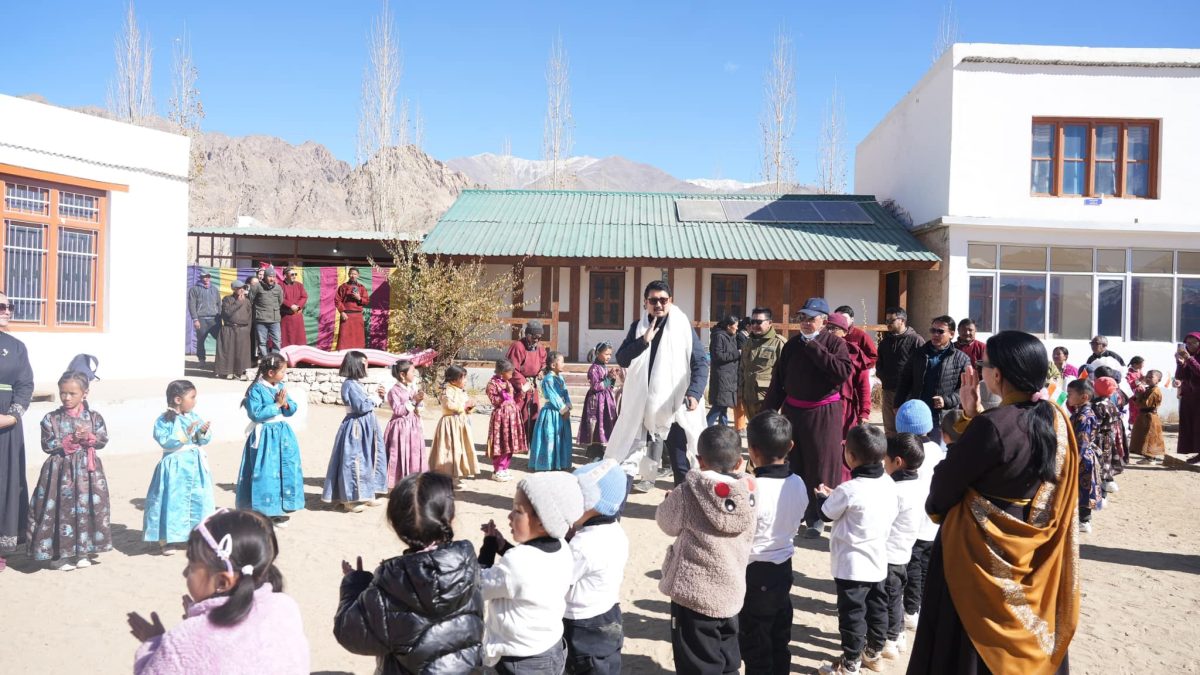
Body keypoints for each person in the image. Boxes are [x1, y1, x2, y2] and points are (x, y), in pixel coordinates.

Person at [907, 330, 1079, 675]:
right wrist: (975, 414)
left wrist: (972, 425)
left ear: (997, 375)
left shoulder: (993, 426)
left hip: (979, 554)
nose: (980, 370)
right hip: (1032, 548)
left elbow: (944, 488)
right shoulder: (1056, 419)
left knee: (970, 639)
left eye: (983, 364)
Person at [334, 472, 484, 673]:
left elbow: (349, 633)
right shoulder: (468, 566)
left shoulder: (391, 586)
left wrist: (355, 585)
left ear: (395, 523)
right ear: (450, 517)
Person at [128, 509, 310, 674]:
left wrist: (154, 644)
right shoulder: (285, 607)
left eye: (191, 566)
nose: (185, 573)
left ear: (223, 582)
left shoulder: (182, 642)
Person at [656, 425, 756, 674]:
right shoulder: (749, 494)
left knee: (695, 661)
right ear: (739, 462)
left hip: (693, 595)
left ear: (699, 460)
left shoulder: (687, 492)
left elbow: (666, 523)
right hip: (731, 591)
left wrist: (669, 500)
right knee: (728, 657)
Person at [763, 297, 855, 536]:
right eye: (802, 317)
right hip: (794, 411)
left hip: (823, 413)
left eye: (810, 318)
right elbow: (778, 382)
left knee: (820, 463)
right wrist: (766, 413)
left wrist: (814, 347)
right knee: (794, 462)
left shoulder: (835, 344)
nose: (805, 322)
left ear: (823, 321)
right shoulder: (792, 345)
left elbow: (841, 373)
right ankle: (796, 512)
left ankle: (817, 515)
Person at [606, 280, 707, 493]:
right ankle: (615, 506)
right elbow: (622, 358)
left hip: (674, 404)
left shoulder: (682, 327)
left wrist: (694, 393)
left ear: (670, 301)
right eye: (653, 300)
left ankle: (683, 507)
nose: (658, 304)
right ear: (646, 303)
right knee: (627, 458)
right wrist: (643, 341)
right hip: (641, 404)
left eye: (663, 300)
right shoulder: (638, 327)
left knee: (680, 461)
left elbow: (700, 362)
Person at [812, 425, 897, 675]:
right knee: (877, 609)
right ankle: (873, 653)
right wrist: (835, 495)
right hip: (878, 562)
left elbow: (826, 514)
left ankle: (850, 664)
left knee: (852, 616)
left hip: (851, 568)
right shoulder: (888, 483)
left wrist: (822, 496)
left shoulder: (849, 489)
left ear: (850, 456)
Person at [477, 472, 583, 673]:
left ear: (543, 522)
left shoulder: (517, 562)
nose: (509, 516)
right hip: (550, 649)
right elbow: (531, 573)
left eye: (518, 511)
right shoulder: (562, 547)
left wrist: (489, 547)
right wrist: (503, 546)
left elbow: (477, 587)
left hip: (519, 661)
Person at [739, 412, 807, 675]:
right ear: (790, 446)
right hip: (783, 568)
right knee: (779, 637)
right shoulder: (798, 483)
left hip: (755, 570)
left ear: (752, 451)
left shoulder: (751, 488)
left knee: (756, 643)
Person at [27, 370, 112, 570]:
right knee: (59, 510)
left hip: (88, 475)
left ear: (85, 393)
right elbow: (48, 445)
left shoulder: (94, 417)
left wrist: (89, 437)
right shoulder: (51, 419)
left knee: (87, 507)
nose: (66, 397)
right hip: (59, 473)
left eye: (72, 393)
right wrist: (70, 440)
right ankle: (59, 556)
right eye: (63, 393)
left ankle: (83, 552)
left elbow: (102, 440)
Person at [564, 460, 630, 674]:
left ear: (594, 504)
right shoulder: (615, 530)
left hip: (583, 625)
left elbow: (557, 578)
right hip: (609, 614)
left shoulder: (583, 544)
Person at [145, 380, 214, 555]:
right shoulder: (164, 420)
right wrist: (185, 434)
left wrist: (202, 432)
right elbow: (165, 441)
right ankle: (167, 539)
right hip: (175, 467)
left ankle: (194, 534)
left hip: (195, 465)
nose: (195, 401)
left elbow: (199, 440)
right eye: (192, 397)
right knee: (172, 501)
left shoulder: (193, 416)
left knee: (196, 498)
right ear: (178, 399)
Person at [236, 353, 304, 525]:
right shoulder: (256, 390)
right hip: (265, 436)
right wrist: (277, 405)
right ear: (271, 373)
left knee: (284, 469)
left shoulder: (280, 386)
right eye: (282, 372)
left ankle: (279, 509)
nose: (284, 375)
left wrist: (286, 404)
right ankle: (264, 512)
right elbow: (256, 413)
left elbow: (292, 407)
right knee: (266, 472)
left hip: (282, 435)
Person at [892, 400, 941, 631]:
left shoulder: (907, 454)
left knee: (913, 567)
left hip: (912, 520)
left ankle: (911, 610)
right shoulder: (937, 450)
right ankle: (918, 605)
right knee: (925, 566)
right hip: (932, 520)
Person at [879, 433, 926, 660]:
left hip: (889, 554)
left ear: (897, 462)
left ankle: (890, 641)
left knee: (888, 598)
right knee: (896, 596)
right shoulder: (920, 485)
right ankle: (899, 636)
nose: (883, 464)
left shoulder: (894, 491)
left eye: (885, 460)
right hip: (906, 550)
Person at [323, 351, 388, 511]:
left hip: (366, 426)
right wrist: (374, 399)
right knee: (353, 460)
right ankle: (350, 500)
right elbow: (361, 406)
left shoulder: (357, 384)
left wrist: (377, 397)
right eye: (364, 363)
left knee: (367, 459)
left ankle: (366, 494)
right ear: (356, 365)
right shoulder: (349, 385)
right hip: (356, 427)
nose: (367, 366)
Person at [894, 315, 971, 447]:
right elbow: (905, 381)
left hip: (942, 418)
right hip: (918, 415)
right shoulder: (919, 353)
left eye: (940, 331)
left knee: (936, 452)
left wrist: (946, 400)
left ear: (951, 334)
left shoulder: (961, 359)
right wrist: (898, 404)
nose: (935, 334)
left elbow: (965, 389)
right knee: (915, 452)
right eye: (933, 330)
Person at [0, 293, 32, 572]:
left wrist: (12, 415)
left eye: (10, 306)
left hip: (7, 427)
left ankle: (1, 549)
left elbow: (25, 385)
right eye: (2, 306)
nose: (7, 310)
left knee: (5, 483)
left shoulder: (17, 347)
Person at [877, 307, 925, 436]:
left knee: (907, 429)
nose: (888, 324)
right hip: (888, 391)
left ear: (902, 320)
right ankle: (891, 449)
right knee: (890, 429)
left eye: (891, 320)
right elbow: (879, 364)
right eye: (886, 321)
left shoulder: (916, 340)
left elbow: (922, 367)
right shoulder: (885, 342)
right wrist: (883, 376)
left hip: (908, 394)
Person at [430, 365, 478, 485]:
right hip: (450, 425)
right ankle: (448, 477)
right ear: (454, 379)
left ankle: (457, 474)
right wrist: (464, 406)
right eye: (463, 377)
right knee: (450, 450)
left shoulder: (461, 391)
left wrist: (470, 406)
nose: (465, 380)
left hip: (461, 424)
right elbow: (449, 405)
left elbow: (466, 407)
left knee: (460, 449)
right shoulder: (447, 390)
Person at [1066, 379, 1103, 533]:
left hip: (1082, 457)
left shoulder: (1084, 416)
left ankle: (1084, 521)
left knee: (1084, 488)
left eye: (1070, 393)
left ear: (1084, 397)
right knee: (1079, 487)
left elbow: (1082, 441)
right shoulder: (1079, 412)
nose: (1067, 396)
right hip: (1079, 455)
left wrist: (1075, 460)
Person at [739, 307, 787, 423]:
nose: (755, 325)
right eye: (753, 322)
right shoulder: (748, 342)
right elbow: (742, 369)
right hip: (748, 398)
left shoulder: (779, 343)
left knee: (767, 431)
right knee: (753, 429)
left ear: (769, 323)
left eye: (759, 322)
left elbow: (786, 374)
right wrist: (740, 392)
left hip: (767, 400)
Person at [834, 306, 880, 427]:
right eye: (830, 327)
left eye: (844, 319)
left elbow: (873, 355)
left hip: (854, 380)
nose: (832, 331)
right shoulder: (823, 344)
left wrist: (860, 365)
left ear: (852, 319)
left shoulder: (860, 336)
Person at [384, 360, 426, 488]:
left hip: (413, 427)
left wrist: (419, 401)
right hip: (400, 429)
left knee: (413, 454)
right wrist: (413, 401)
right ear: (402, 374)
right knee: (399, 454)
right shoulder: (393, 391)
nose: (415, 374)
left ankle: (412, 482)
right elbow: (398, 410)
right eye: (412, 372)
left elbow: (417, 408)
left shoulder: (412, 388)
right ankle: (397, 484)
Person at [529, 351, 574, 472]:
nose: (564, 364)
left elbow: (565, 393)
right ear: (553, 365)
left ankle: (560, 462)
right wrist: (564, 410)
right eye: (562, 362)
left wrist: (568, 405)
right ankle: (548, 464)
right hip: (552, 412)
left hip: (561, 412)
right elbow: (553, 396)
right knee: (550, 437)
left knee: (560, 437)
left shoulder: (560, 378)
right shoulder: (548, 380)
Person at [826, 312, 868, 439]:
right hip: (821, 406)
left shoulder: (853, 353)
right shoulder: (817, 350)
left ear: (844, 332)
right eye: (827, 328)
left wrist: (864, 412)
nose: (829, 332)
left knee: (843, 443)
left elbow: (863, 385)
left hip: (845, 407)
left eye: (834, 328)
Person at [506, 321, 549, 440]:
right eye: (534, 337)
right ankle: (518, 441)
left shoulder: (540, 348)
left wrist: (542, 371)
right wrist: (524, 384)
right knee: (520, 412)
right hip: (519, 386)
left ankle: (531, 441)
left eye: (539, 338)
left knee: (534, 413)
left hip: (533, 385)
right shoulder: (518, 346)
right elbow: (512, 369)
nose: (537, 340)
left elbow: (544, 363)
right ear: (528, 335)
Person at [486, 358, 526, 482]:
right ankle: (497, 470)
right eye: (510, 372)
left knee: (509, 442)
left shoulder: (508, 382)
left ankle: (504, 467)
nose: (512, 375)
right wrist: (505, 394)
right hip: (501, 418)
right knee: (501, 443)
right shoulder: (492, 384)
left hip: (512, 418)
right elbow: (495, 401)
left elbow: (514, 400)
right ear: (502, 372)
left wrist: (522, 392)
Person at [578, 343, 618, 461]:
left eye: (610, 354)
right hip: (596, 403)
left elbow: (609, 386)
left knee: (604, 423)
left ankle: (599, 449)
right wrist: (608, 378)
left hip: (605, 401)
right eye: (606, 354)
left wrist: (612, 378)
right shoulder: (593, 369)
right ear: (598, 353)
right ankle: (595, 451)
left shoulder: (604, 367)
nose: (609, 357)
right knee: (596, 425)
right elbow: (596, 387)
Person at [1092, 376, 1126, 495]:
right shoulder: (1112, 404)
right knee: (1106, 460)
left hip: (1098, 438)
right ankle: (1107, 484)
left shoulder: (1097, 405)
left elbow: (1095, 424)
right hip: (1108, 437)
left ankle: (1100, 491)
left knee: (1097, 462)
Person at [215, 280, 253, 380]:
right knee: (229, 352)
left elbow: (250, 316)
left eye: (243, 288)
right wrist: (238, 302)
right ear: (234, 289)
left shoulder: (247, 301)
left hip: (243, 329)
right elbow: (226, 313)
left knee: (241, 353)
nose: (242, 290)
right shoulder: (227, 299)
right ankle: (228, 372)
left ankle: (240, 372)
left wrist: (248, 330)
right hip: (230, 328)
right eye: (239, 288)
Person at [707, 315, 740, 427]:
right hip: (722, 376)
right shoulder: (719, 336)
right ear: (729, 326)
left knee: (724, 405)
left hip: (730, 375)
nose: (737, 328)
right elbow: (718, 356)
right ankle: (704, 427)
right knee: (719, 405)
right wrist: (737, 354)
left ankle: (723, 428)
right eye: (735, 326)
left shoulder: (731, 336)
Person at [247, 266, 284, 360]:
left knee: (277, 341)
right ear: (265, 277)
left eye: (273, 277)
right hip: (261, 319)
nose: (272, 279)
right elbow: (250, 300)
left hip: (274, 320)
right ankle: (265, 360)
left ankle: (274, 360)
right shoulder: (256, 287)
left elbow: (280, 302)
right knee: (262, 342)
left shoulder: (278, 288)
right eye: (270, 276)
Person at [1131, 370, 1166, 465]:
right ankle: (1148, 457)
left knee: (1150, 437)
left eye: (1151, 377)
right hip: (1144, 416)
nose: (1148, 378)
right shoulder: (1148, 389)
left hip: (1150, 417)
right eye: (1147, 376)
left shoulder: (1155, 391)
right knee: (1144, 436)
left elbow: (1145, 403)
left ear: (1158, 380)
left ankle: (1150, 458)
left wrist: (1138, 397)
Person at [1175, 333, 1200, 464]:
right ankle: (1197, 453)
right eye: (1187, 343)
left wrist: (1189, 360)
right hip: (1189, 397)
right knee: (1191, 426)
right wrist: (1180, 363)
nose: (1188, 346)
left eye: (1192, 343)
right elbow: (1180, 376)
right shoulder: (1189, 356)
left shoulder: (1192, 358)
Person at [188, 271, 221, 364]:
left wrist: (219, 316)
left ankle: (220, 360)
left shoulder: (214, 289)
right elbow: (191, 305)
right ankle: (201, 359)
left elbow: (219, 304)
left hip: (214, 320)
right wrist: (195, 319)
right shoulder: (194, 289)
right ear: (201, 278)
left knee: (221, 340)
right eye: (204, 277)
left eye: (208, 276)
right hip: (201, 319)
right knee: (201, 340)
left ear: (210, 277)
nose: (206, 278)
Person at [335, 268, 368, 350]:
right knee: (344, 337)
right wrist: (342, 312)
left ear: (358, 275)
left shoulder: (361, 287)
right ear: (348, 275)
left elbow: (366, 301)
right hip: (346, 315)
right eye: (351, 274)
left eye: (355, 274)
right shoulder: (343, 287)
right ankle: (343, 355)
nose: (353, 276)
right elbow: (337, 300)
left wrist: (359, 298)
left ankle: (358, 354)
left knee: (358, 337)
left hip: (358, 316)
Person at [279, 267, 308, 348]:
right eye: (292, 274)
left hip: (297, 317)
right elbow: (279, 297)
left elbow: (304, 296)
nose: (294, 276)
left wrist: (298, 306)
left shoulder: (299, 285)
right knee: (286, 340)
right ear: (285, 276)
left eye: (295, 274)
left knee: (299, 340)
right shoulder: (280, 285)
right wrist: (290, 305)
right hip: (286, 317)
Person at [1125, 356, 1145, 431]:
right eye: (1142, 364)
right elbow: (1129, 384)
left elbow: (1142, 381)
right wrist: (1138, 380)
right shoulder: (1128, 373)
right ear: (1135, 364)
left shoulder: (1140, 371)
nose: (1143, 365)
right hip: (1133, 396)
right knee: (1133, 411)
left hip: (1141, 395)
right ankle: (1133, 428)